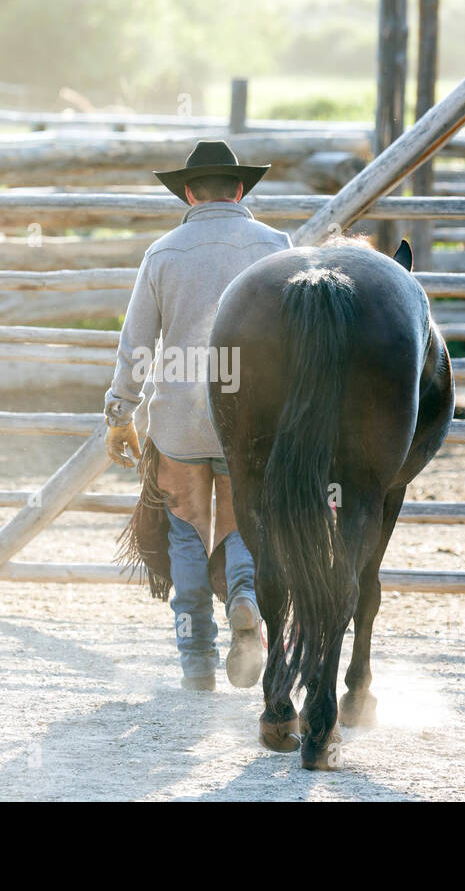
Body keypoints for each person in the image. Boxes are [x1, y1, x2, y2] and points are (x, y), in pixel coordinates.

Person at [104, 140, 292, 691]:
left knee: (186, 532)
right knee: (241, 522)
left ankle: (196, 661)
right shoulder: (276, 248)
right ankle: (242, 598)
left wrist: (120, 413)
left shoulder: (162, 254)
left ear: (188, 193)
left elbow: (138, 344)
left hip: (178, 419)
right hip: (249, 419)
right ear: (239, 191)